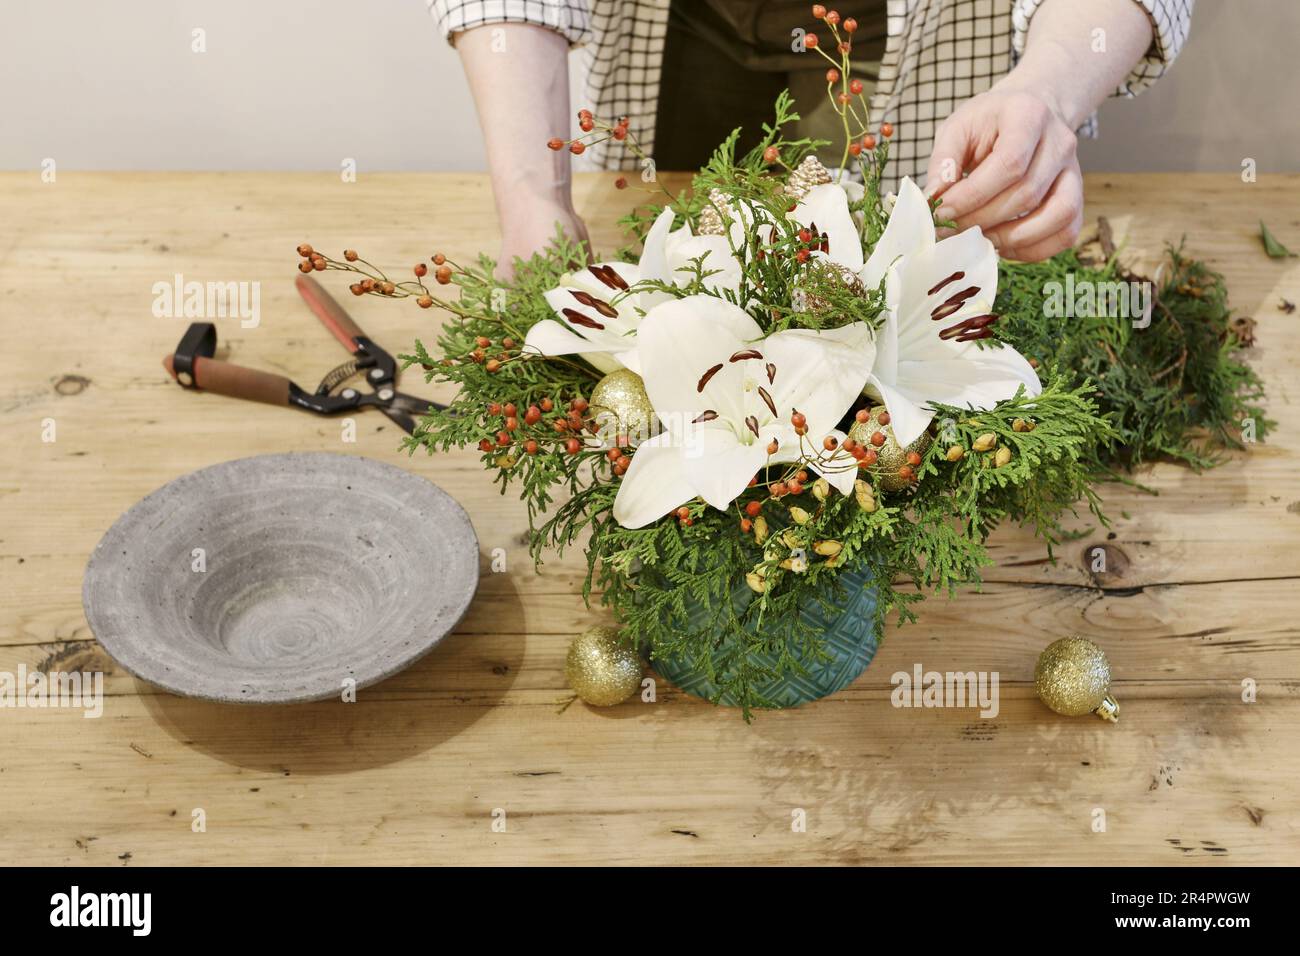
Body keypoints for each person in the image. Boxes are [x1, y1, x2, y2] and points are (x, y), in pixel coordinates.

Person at [429, 0, 1193, 268]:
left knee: (892, 308)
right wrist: (532, 192)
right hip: (687, 33)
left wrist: (1045, 92)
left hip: (921, 50)